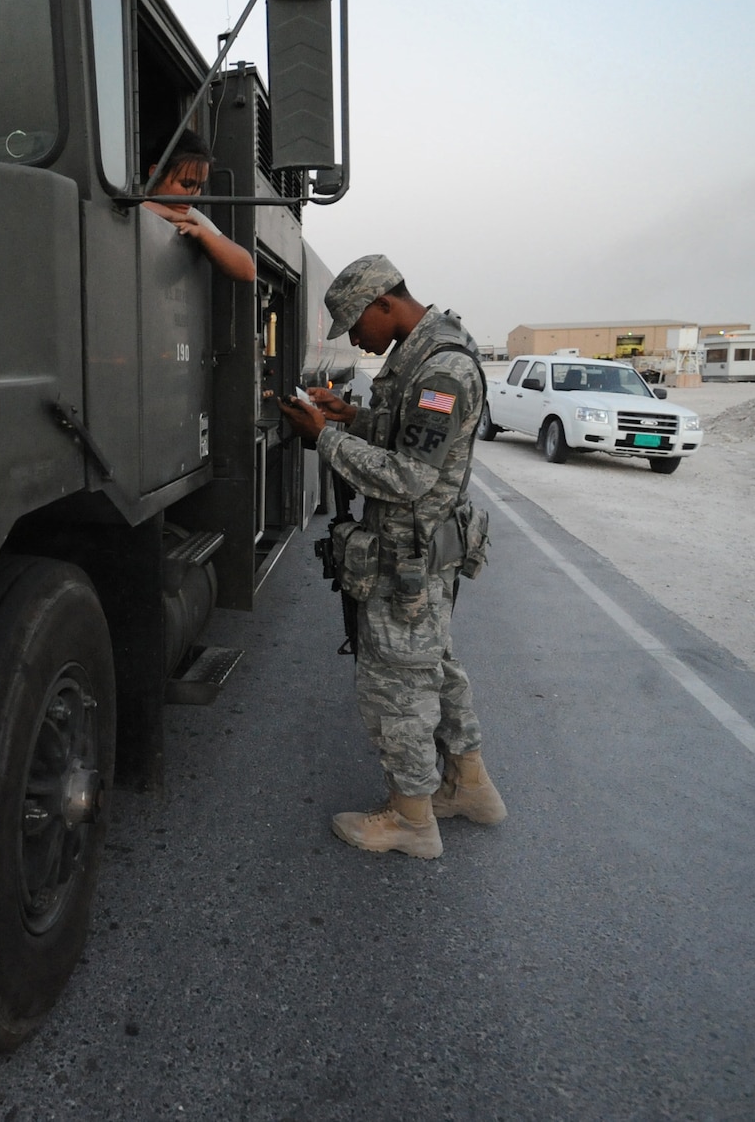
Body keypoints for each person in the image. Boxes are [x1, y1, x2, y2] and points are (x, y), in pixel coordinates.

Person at [276, 254, 506, 859]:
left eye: (357, 324)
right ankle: (470, 787)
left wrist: (323, 437)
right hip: (423, 555)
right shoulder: (428, 355)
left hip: (409, 557)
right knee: (437, 668)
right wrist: (355, 417)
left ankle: (411, 821)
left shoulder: (441, 371)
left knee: (398, 687)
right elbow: (411, 435)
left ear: (385, 302)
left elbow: (408, 476)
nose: (356, 339)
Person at [142, 130, 255, 282]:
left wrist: (202, 233)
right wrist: (171, 215)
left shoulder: (189, 215)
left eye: (199, 186)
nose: (194, 194)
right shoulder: (131, 195)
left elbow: (247, 270)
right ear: (155, 173)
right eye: (186, 184)